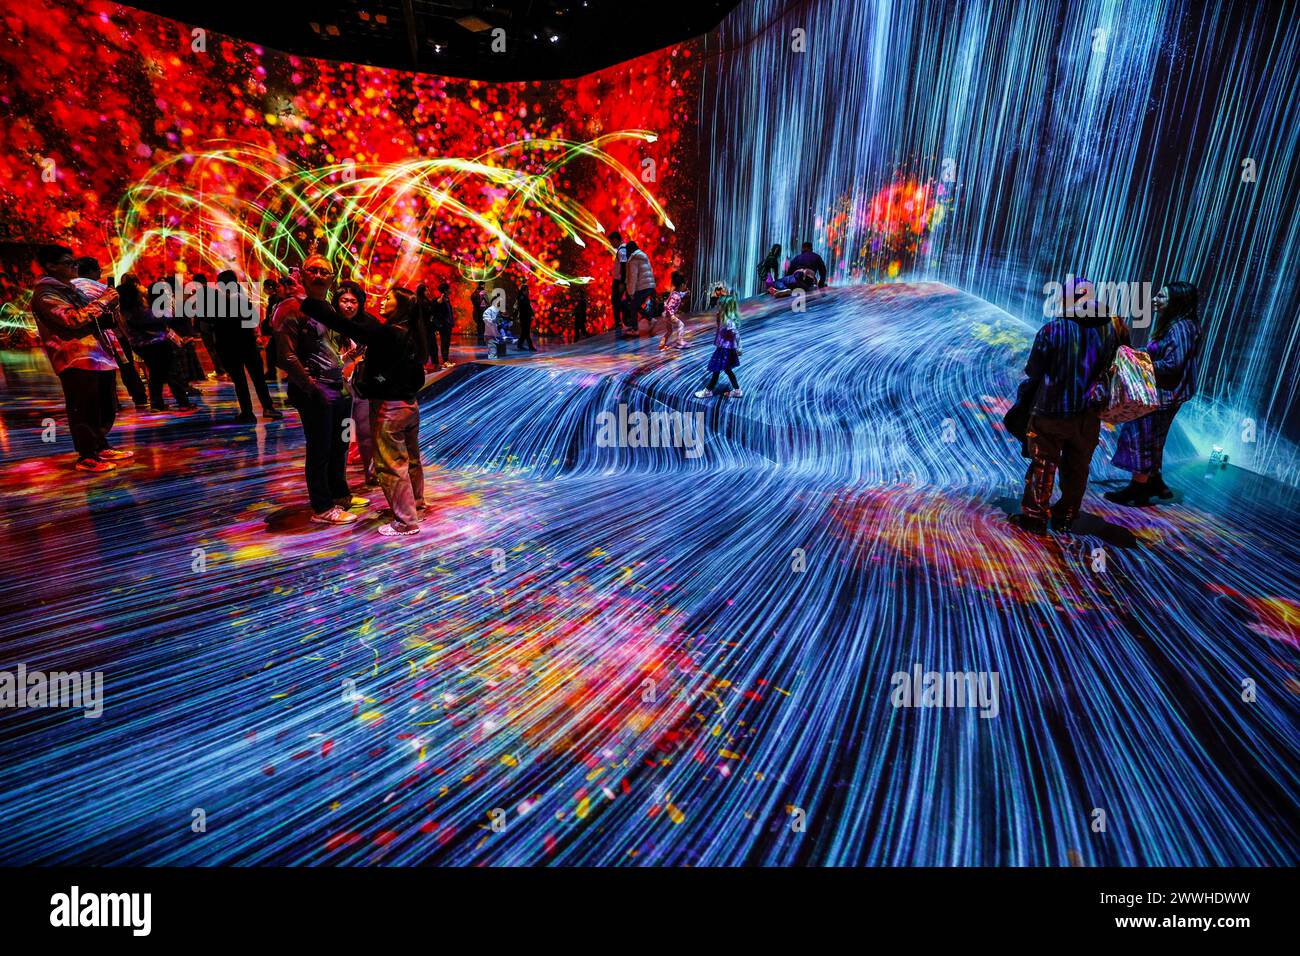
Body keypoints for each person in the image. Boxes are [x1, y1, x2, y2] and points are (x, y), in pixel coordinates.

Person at [301, 284, 429, 537]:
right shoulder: (413, 333)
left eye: (389, 297)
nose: (382, 300)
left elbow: (348, 326)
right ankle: (416, 505)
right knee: (411, 460)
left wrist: (308, 301)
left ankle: (405, 522)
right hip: (409, 406)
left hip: (389, 409)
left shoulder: (390, 333)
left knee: (391, 466)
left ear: (401, 305)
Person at [1011, 277, 1125, 534]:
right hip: (1089, 413)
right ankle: (1066, 515)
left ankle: (1035, 516)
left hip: (1051, 410)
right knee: (1078, 467)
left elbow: (1034, 369)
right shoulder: (1110, 330)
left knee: (1044, 463)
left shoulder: (1053, 330)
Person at [273, 258, 364, 525]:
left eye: (324, 271)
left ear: (331, 277)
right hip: (317, 390)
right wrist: (312, 387)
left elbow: (329, 348)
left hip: (338, 387)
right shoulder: (291, 307)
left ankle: (340, 494)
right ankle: (323, 507)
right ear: (301, 274)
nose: (318, 275)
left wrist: (348, 357)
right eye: (312, 270)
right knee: (320, 448)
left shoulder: (325, 308)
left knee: (340, 445)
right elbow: (285, 356)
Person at [30, 245, 133, 472]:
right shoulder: (46, 293)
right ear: (51, 266)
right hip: (76, 357)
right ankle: (87, 456)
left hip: (98, 353)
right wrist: (103, 301)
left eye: (75, 263)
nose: (75, 267)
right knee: (83, 408)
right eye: (69, 263)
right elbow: (72, 320)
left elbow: (92, 317)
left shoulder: (71, 289)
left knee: (105, 405)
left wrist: (111, 308)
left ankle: (100, 445)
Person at [1105, 282, 1202, 506]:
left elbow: (1172, 364)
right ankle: (1156, 482)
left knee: (1140, 437)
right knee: (1154, 438)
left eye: (1162, 297)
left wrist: (1137, 364)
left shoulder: (1179, 328)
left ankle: (1138, 489)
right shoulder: (1182, 325)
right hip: (1168, 393)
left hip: (1163, 394)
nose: (1155, 300)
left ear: (1177, 302)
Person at [71, 257, 148, 409]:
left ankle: (111, 403)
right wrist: (128, 335)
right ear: (92, 271)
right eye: (98, 268)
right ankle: (139, 399)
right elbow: (116, 315)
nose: (101, 271)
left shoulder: (70, 288)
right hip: (112, 335)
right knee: (127, 368)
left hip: (87, 338)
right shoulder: (102, 289)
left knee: (102, 370)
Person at [212, 270, 282, 424]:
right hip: (247, 345)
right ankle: (268, 407)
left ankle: (247, 412)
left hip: (228, 348)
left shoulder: (215, 304)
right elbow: (252, 322)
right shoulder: (243, 301)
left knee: (240, 381)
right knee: (258, 379)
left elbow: (209, 326)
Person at [120, 274, 194, 412]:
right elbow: (165, 317)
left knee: (155, 374)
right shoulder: (141, 312)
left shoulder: (124, 312)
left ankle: (156, 404)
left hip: (140, 346)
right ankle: (183, 403)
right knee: (172, 372)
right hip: (157, 344)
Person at [332, 281, 377, 486]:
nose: (349, 305)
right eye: (344, 301)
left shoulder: (367, 325)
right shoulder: (329, 326)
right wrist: (347, 358)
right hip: (338, 389)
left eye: (354, 301)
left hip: (361, 387)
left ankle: (371, 473)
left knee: (366, 433)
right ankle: (339, 481)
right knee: (341, 436)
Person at [694, 292, 743, 398]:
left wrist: (739, 347)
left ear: (725, 308)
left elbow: (736, 334)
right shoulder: (723, 318)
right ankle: (737, 390)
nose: (717, 306)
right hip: (724, 348)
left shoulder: (729, 322)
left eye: (719, 305)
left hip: (725, 350)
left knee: (716, 369)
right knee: (727, 370)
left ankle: (708, 391)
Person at [624, 240, 656, 331]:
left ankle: (635, 329)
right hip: (649, 285)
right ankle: (650, 319)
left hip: (642, 286)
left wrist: (630, 292)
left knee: (633, 306)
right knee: (635, 305)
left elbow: (633, 277)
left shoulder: (634, 259)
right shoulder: (643, 256)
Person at [659, 271, 689, 350]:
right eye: (685, 285)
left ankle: (662, 343)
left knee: (669, 331)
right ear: (682, 285)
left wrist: (685, 293)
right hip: (669, 315)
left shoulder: (675, 293)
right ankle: (679, 342)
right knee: (681, 325)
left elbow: (680, 295)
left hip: (666, 315)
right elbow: (668, 306)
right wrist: (671, 315)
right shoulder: (675, 295)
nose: (685, 286)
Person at [427, 282, 454, 368]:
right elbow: (433, 309)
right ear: (445, 291)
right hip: (444, 325)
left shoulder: (447, 299)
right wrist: (438, 302)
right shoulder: (438, 300)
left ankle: (446, 360)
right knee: (445, 342)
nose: (450, 290)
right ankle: (445, 361)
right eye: (449, 289)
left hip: (448, 324)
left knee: (447, 343)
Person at [608, 231, 630, 336]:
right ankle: (621, 321)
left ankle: (619, 323)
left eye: (611, 241)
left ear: (616, 240)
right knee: (617, 301)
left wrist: (622, 282)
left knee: (615, 301)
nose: (611, 244)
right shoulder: (623, 249)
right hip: (620, 280)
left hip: (619, 280)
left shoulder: (622, 250)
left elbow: (623, 266)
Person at [261, 277, 283, 381]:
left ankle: (272, 372)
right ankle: (272, 372)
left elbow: (272, 314)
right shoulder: (275, 299)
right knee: (271, 350)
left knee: (272, 351)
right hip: (276, 328)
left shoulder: (275, 299)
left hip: (276, 328)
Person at [515, 283, 536, 351]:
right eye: (527, 290)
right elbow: (524, 308)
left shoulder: (524, 297)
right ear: (524, 290)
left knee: (524, 332)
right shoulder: (521, 298)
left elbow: (528, 307)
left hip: (526, 317)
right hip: (524, 317)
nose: (528, 291)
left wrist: (531, 314)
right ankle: (530, 346)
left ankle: (520, 344)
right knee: (526, 332)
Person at [471, 282, 488, 346]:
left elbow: (486, 301)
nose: (484, 286)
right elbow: (475, 301)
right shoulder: (476, 293)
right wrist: (480, 297)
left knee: (483, 324)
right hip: (479, 311)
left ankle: (482, 338)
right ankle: (480, 339)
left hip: (483, 310)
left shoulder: (482, 293)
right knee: (480, 324)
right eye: (483, 285)